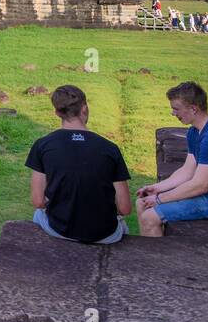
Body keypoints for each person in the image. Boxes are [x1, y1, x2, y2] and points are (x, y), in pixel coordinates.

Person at [137, 82, 208, 237]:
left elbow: (200, 186)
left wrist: (159, 199)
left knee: (149, 217)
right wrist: (158, 188)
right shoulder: (195, 131)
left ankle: (158, 259)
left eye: (176, 109)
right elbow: (187, 170)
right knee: (142, 203)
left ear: (193, 108)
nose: (173, 113)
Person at [27, 85, 132, 244]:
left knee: (38, 214)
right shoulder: (110, 148)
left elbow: (38, 201)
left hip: (59, 229)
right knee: (122, 226)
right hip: (105, 235)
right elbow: (125, 208)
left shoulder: (43, 145)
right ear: (85, 109)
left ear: (57, 112)